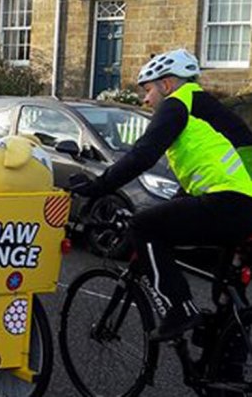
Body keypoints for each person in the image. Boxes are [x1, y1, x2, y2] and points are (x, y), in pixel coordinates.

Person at [74, 48, 252, 342]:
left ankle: (178, 309)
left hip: (227, 204)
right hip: (241, 208)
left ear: (166, 85)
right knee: (227, 299)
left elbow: (141, 156)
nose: (145, 99)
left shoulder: (176, 105)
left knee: (144, 226)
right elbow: (218, 165)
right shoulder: (212, 109)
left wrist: (96, 186)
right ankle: (225, 369)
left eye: (147, 90)